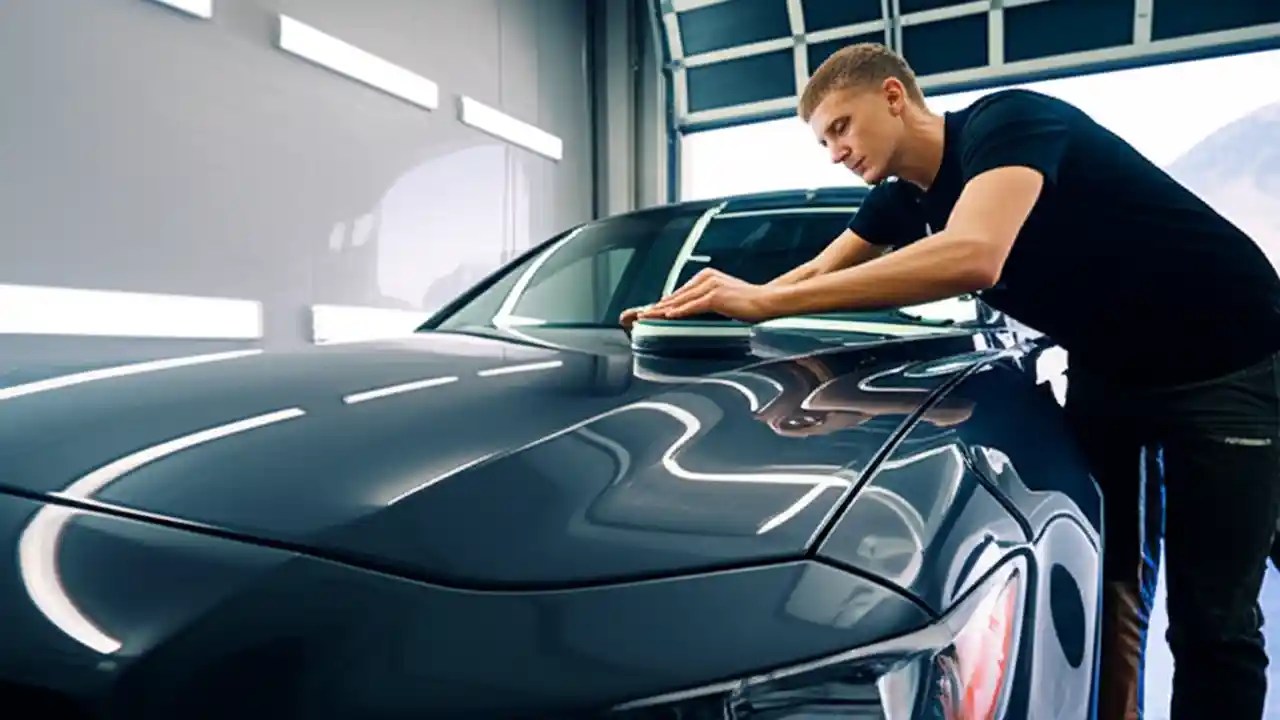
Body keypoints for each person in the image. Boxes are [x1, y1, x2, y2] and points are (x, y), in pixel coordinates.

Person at [625, 42, 1280, 719]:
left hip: (1225, 361)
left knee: (1213, 616)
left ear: (892, 96)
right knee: (1111, 578)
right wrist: (705, 308)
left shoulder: (1009, 125)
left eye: (841, 127)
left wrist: (762, 301)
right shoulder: (901, 200)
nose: (834, 152)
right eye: (823, 141)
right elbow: (810, 280)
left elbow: (975, 255)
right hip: (1110, 370)